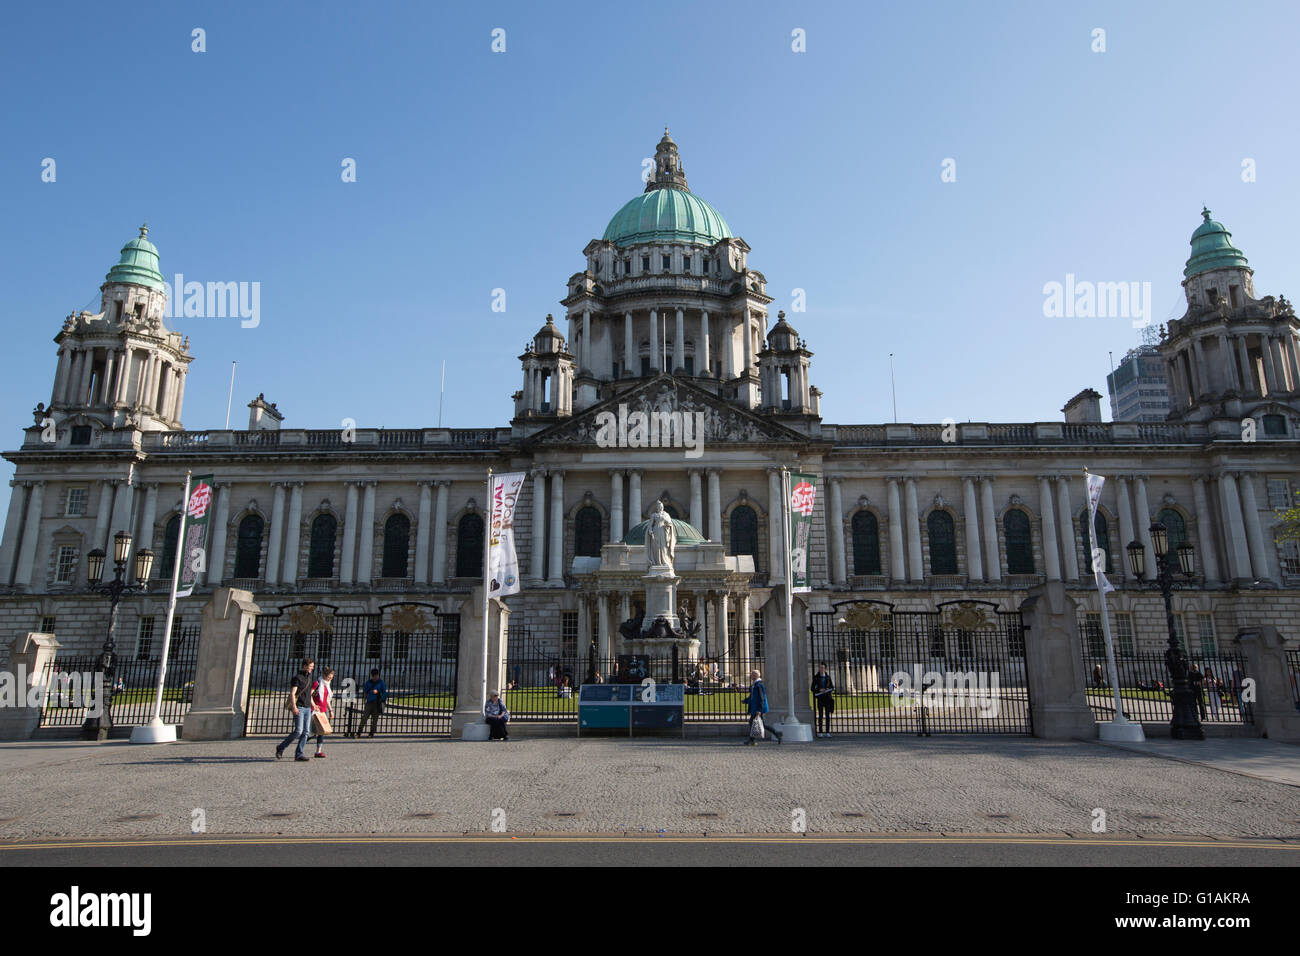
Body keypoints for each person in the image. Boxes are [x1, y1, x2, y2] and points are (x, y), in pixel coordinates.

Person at [275, 658, 316, 762]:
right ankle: (281, 747)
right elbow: (293, 693)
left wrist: (313, 705)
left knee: (306, 732)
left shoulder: (309, 678)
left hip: (307, 707)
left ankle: (299, 754)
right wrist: (294, 706)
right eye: (310, 666)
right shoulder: (297, 678)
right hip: (299, 707)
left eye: (312, 666)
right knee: (298, 731)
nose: (312, 668)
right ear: (304, 666)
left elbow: (309, 694)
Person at [741, 669, 781, 745]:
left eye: (752, 674)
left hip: (758, 708)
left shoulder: (759, 685)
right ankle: (776, 734)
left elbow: (762, 698)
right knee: (757, 723)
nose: (750, 675)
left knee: (754, 723)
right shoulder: (755, 685)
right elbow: (752, 697)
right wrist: (745, 701)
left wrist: (759, 709)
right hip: (755, 707)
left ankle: (753, 740)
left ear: (756, 675)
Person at [311, 667, 335, 758]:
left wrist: (331, 710)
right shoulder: (317, 683)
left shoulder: (327, 685)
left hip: (323, 711)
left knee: (321, 731)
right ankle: (300, 748)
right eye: (329, 677)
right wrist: (314, 705)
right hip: (315, 711)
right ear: (324, 675)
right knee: (311, 732)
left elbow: (327, 700)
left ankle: (318, 751)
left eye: (331, 677)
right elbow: (309, 695)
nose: (330, 679)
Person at [357, 668, 386, 738]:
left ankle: (371, 733)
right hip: (369, 702)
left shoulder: (381, 682)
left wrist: (378, 692)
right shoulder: (368, 682)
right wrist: (364, 699)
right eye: (374, 676)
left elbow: (384, 693)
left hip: (377, 703)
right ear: (372, 676)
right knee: (364, 718)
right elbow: (365, 692)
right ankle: (359, 732)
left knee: (375, 719)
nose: (375, 677)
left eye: (376, 676)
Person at [811, 662, 835, 738]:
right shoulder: (816, 677)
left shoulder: (828, 677)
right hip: (820, 698)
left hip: (827, 698)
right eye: (820, 667)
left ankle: (827, 732)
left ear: (825, 669)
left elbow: (832, 687)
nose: (821, 669)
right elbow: (812, 688)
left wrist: (827, 689)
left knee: (827, 715)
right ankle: (820, 731)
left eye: (823, 668)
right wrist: (819, 690)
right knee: (820, 715)